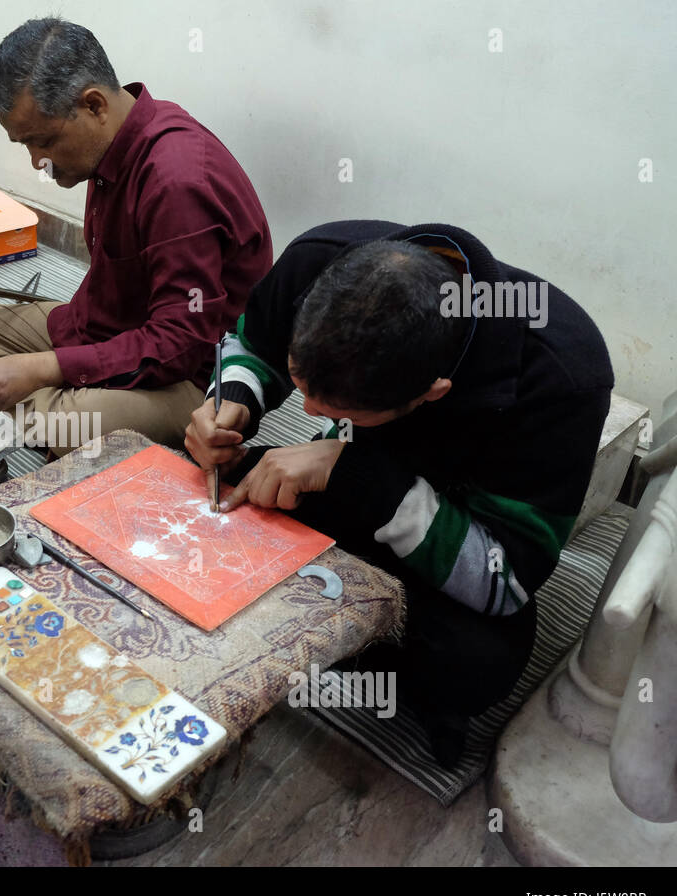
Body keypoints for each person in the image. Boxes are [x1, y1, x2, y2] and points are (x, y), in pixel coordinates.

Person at [184, 220, 614, 766]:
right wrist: (233, 401)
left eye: (336, 410)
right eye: (300, 388)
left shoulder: (559, 380)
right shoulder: (318, 259)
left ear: (432, 394)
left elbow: (504, 578)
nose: (309, 413)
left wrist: (357, 474)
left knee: (474, 666)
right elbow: (248, 342)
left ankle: (351, 654)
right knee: (240, 518)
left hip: (456, 520)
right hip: (350, 468)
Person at [0, 17, 272, 457]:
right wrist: (51, 368)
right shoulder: (111, 146)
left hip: (187, 377)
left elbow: (180, 345)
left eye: (42, 141)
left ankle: (60, 416)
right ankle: (58, 411)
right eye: (24, 145)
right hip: (106, 330)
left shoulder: (176, 181)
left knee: (72, 430)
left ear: (94, 106)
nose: (36, 161)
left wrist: (43, 368)